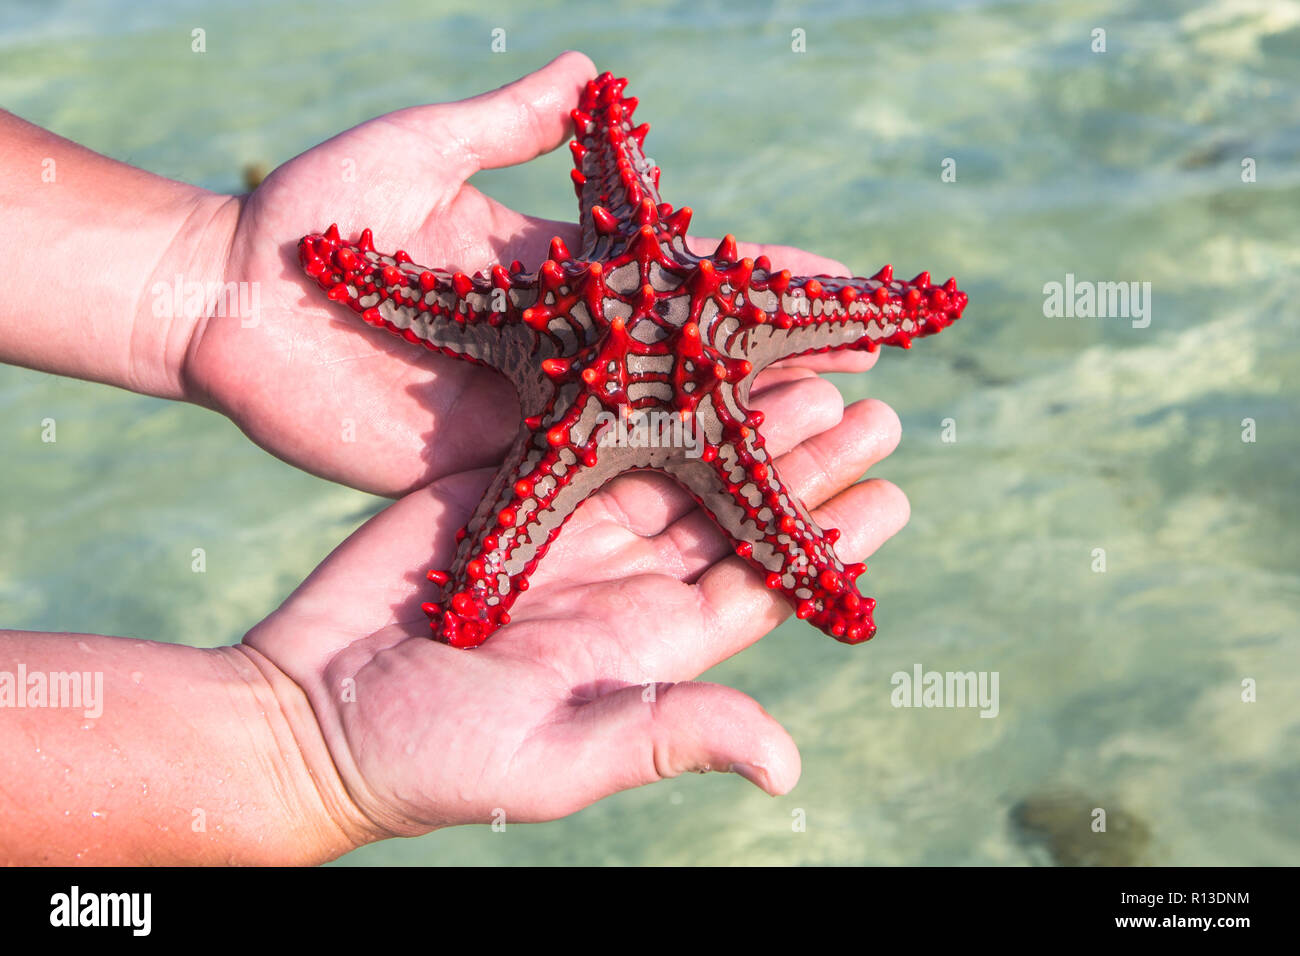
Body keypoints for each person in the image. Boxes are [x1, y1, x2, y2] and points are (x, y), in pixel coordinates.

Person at [0, 52, 910, 864]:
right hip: (637, 411)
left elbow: (491, 289)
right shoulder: (709, 309)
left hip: (587, 417)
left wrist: (220, 277)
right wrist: (305, 761)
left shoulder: (545, 321)